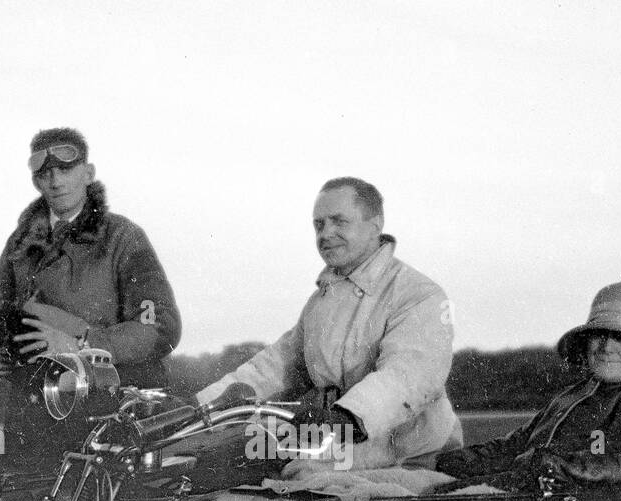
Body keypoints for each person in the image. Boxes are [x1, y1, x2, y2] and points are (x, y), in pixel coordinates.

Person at [196, 177, 462, 471]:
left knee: (275, 467)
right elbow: (276, 365)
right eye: (319, 225)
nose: (326, 233)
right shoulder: (321, 301)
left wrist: (344, 418)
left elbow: (407, 376)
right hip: (340, 443)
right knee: (220, 457)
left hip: (405, 454)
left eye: (339, 222)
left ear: (375, 224)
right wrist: (200, 407)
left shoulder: (418, 294)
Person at [0, 127, 181, 464]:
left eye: (66, 169)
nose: (56, 181)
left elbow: (160, 326)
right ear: (36, 182)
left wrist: (83, 344)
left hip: (106, 411)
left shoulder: (122, 238)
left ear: (88, 173)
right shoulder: (20, 244)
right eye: (45, 173)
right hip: (32, 415)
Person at [434, 280, 621, 490]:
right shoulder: (575, 395)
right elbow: (516, 444)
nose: (607, 347)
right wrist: (450, 460)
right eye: (599, 334)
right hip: (523, 492)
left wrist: (556, 466)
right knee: (406, 484)